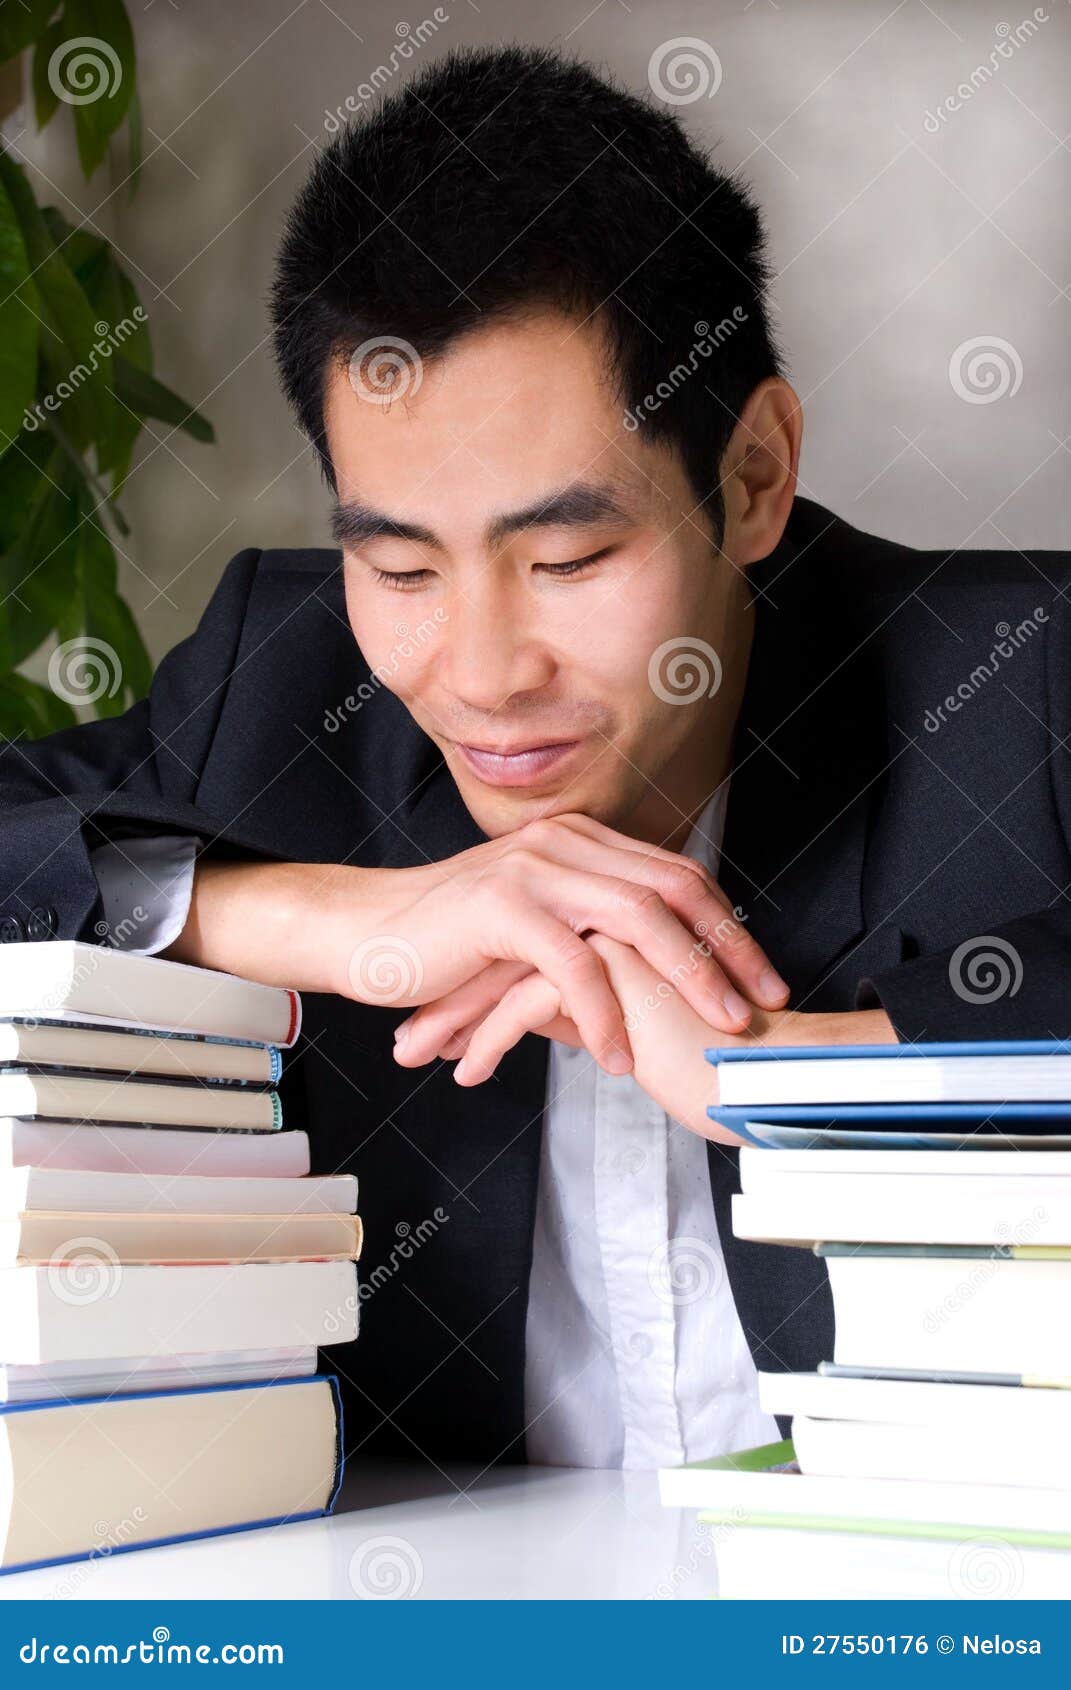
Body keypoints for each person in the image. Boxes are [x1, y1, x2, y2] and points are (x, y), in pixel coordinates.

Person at [2, 44, 1069, 1468]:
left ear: (752, 476)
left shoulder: (1017, 677)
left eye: (567, 556)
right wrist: (305, 912)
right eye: (400, 566)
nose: (485, 672)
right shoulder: (283, 682)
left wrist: (821, 1073)